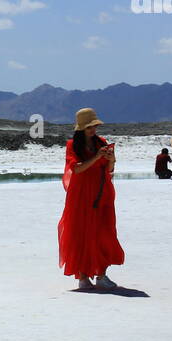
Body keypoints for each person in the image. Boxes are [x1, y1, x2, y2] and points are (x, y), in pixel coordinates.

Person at [59, 108, 125, 290]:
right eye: (89, 127)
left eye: (94, 126)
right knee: (81, 232)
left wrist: (111, 159)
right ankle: (83, 276)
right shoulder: (73, 145)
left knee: (103, 232)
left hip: (101, 192)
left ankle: (101, 274)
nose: (93, 130)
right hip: (80, 195)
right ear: (81, 129)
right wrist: (97, 157)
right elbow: (77, 169)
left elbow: (109, 170)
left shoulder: (101, 142)